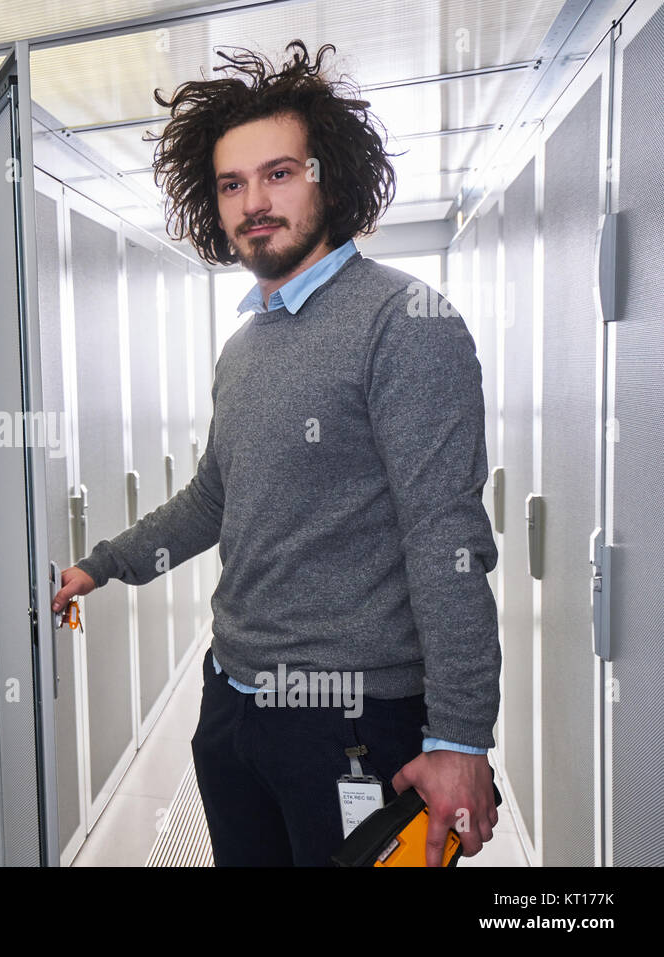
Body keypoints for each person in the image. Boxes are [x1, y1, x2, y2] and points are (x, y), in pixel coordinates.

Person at [50, 40, 500, 866]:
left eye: (280, 173)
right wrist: (103, 564)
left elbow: (448, 540)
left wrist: (463, 739)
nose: (254, 201)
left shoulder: (404, 321)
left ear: (331, 177)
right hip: (231, 706)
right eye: (232, 184)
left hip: (353, 723)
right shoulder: (245, 347)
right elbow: (213, 500)